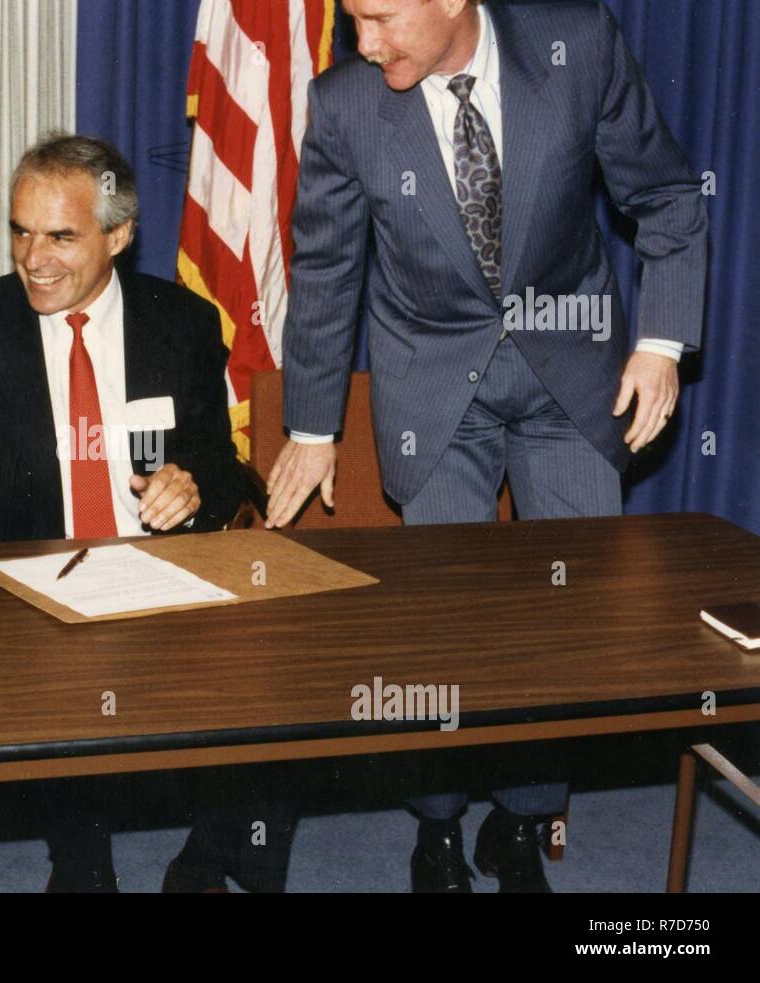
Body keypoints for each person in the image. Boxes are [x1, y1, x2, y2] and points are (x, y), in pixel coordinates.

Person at [264, 0, 706, 892]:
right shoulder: (347, 103)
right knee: (444, 629)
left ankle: (521, 820)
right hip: (432, 377)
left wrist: (660, 343)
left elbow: (663, 195)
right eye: (354, 18)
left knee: (565, 624)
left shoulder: (575, 47)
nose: (364, 43)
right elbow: (326, 266)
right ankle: (436, 830)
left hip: (568, 369)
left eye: (383, 19)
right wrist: (312, 427)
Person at [0, 133, 294, 891]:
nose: (34, 257)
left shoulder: (181, 321)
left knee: (284, 662)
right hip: (27, 587)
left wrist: (194, 487)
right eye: (21, 231)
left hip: (161, 572)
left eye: (61, 235)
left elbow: (220, 463)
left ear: (118, 235)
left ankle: (209, 859)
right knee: (66, 672)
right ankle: (81, 856)